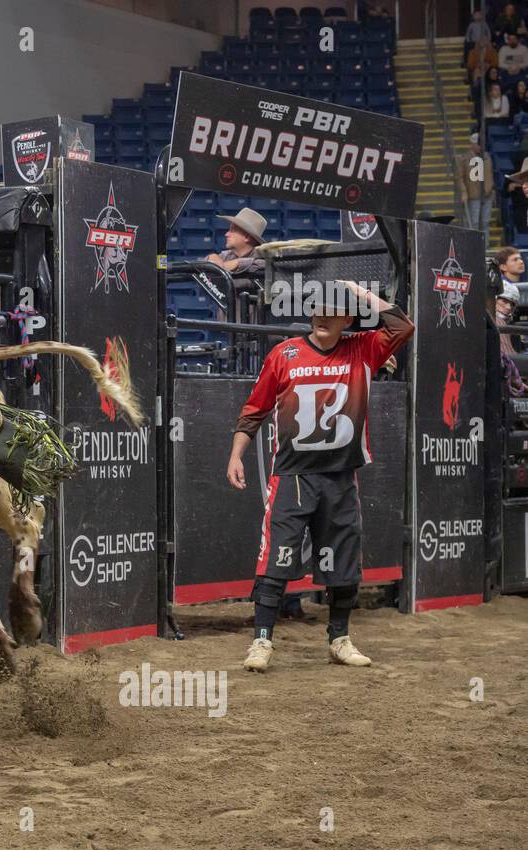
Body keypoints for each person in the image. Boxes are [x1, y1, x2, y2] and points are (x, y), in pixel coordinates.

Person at [228, 281, 415, 673]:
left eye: (331, 312)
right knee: (275, 558)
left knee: (344, 562)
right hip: (293, 475)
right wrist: (237, 455)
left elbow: (401, 326)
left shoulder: (363, 349)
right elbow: (255, 409)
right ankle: (261, 641)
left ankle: (339, 638)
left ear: (347, 319)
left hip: (341, 476)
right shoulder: (285, 354)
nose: (321, 317)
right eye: (316, 310)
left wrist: (362, 294)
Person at [205, 207, 266, 275]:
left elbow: (266, 265)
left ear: (247, 237)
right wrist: (212, 256)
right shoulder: (228, 255)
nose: (226, 234)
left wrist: (238, 263)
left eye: (232, 231)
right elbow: (202, 264)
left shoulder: (263, 257)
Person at [461, 134, 496, 233]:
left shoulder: (487, 157)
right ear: (472, 144)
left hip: (487, 193)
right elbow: (460, 177)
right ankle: (474, 246)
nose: (480, 146)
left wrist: (492, 189)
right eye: (477, 144)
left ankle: (485, 246)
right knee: (474, 222)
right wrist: (464, 191)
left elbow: (490, 174)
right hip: (474, 194)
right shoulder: (465, 158)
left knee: (485, 222)